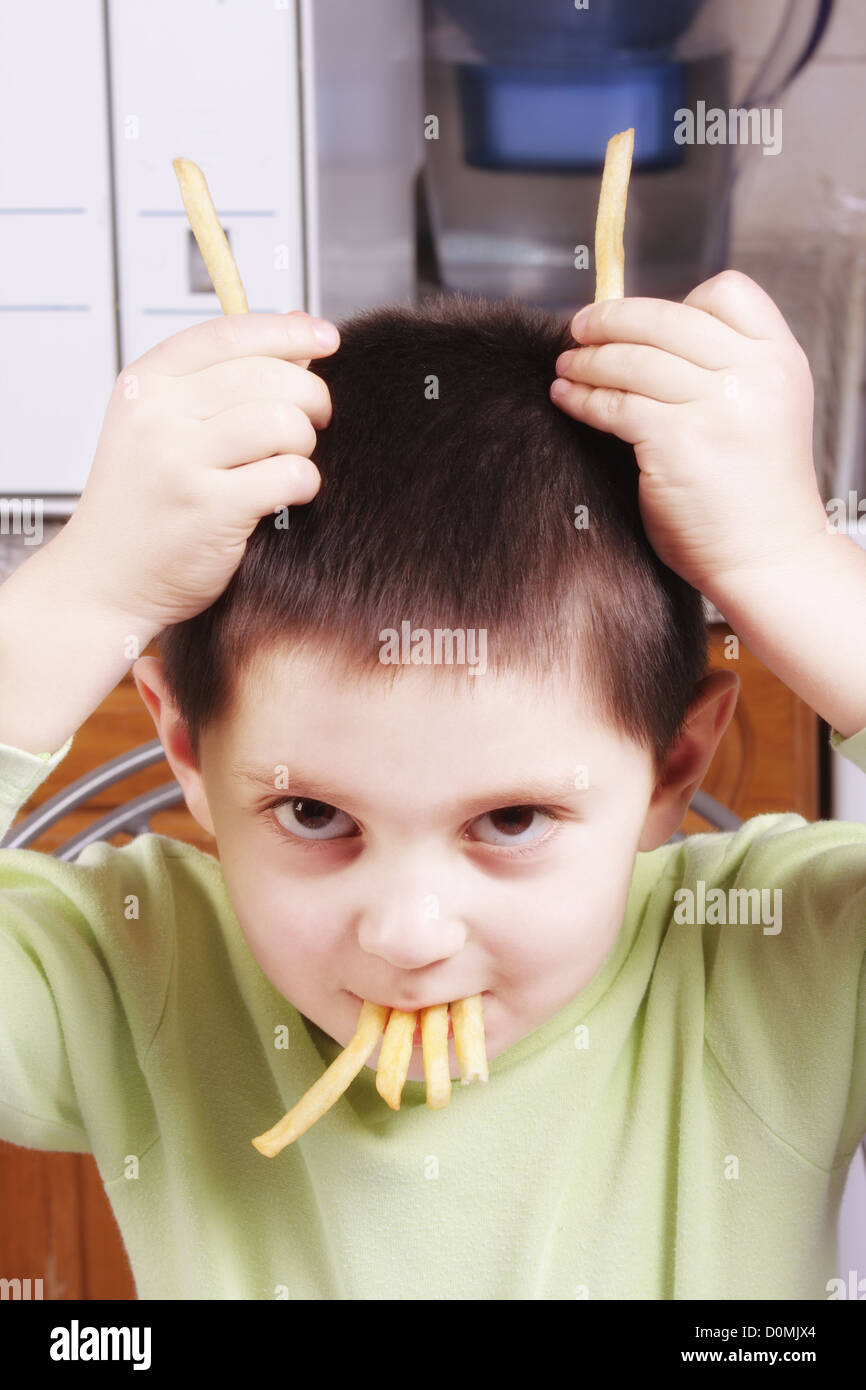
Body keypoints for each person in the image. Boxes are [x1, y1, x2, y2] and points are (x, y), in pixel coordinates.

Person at [1, 274, 864, 1299]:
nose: (408, 936)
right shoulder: (134, 971)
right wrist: (84, 589)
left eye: (509, 819)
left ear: (672, 767)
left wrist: (788, 558)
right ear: (189, 754)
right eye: (314, 814)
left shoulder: (779, 960)